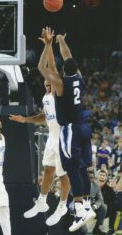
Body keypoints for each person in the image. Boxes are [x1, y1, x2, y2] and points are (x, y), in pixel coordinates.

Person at [39, 28, 95, 232]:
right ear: (76, 68)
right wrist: (61, 40)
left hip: (70, 129)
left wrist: (47, 44)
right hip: (84, 126)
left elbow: (42, 68)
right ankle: (87, 205)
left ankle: (80, 209)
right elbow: (68, 56)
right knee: (82, 168)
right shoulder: (79, 77)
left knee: (72, 169)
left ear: (63, 70)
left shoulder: (60, 84)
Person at [9, 77, 70, 225]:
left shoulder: (60, 95)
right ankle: (42, 201)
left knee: (62, 175)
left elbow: (52, 71)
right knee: (47, 171)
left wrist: (48, 53)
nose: (48, 85)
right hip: (52, 137)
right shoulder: (46, 98)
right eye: (46, 84)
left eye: (50, 83)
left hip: (63, 137)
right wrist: (24, 120)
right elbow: (44, 117)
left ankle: (62, 205)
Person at [97, 170, 116, 234]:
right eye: (101, 175)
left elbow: (113, 200)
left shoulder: (110, 189)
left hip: (105, 211)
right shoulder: (92, 186)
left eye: (104, 175)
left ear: (106, 177)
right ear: (98, 176)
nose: (102, 176)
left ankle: (111, 228)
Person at [88, 169, 107, 235]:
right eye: (89, 177)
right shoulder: (80, 184)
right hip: (81, 205)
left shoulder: (96, 185)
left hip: (92, 205)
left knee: (104, 206)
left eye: (92, 177)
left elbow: (100, 199)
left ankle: (97, 228)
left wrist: (95, 206)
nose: (91, 179)